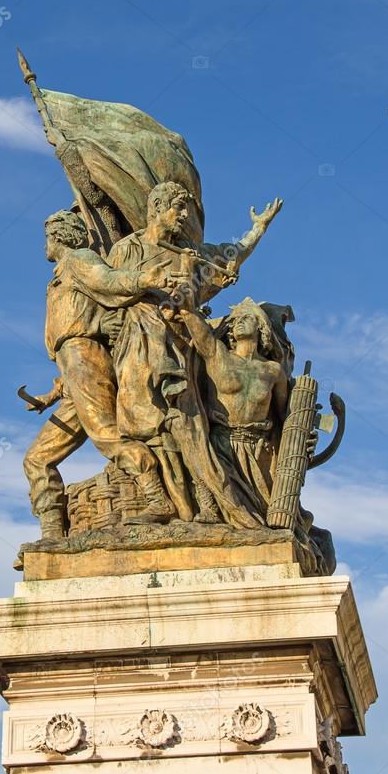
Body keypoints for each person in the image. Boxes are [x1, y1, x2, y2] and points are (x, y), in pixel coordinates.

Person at [104, 182, 283, 525]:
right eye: (179, 207)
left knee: (186, 425)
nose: (185, 215)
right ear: (157, 207)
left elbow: (232, 253)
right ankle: (163, 500)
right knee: (140, 424)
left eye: (186, 208)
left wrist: (258, 229)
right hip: (137, 343)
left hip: (179, 348)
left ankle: (207, 503)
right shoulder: (128, 249)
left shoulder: (189, 251)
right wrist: (146, 281)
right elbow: (108, 287)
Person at [22, 210, 173, 539]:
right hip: (71, 369)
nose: (45, 245)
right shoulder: (61, 274)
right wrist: (53, 393)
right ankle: (52, 534)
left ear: (60, 236)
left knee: (107, 436)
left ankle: (157, 498)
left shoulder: (78, 260)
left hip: (85, 358)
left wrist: (147, 279)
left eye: (47, 237)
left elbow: (109, 281)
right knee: (37, 458)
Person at [179, 297, 288, 518]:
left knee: (265, 514)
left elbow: (284, 416)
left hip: (259, 451)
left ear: (262, 328)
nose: (239, 322)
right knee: (233, 509)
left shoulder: (273, 371)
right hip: (221, 446)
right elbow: (196, 327)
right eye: (236, 319)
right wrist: (183, 302)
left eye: (247, 318)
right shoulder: (219, 355)